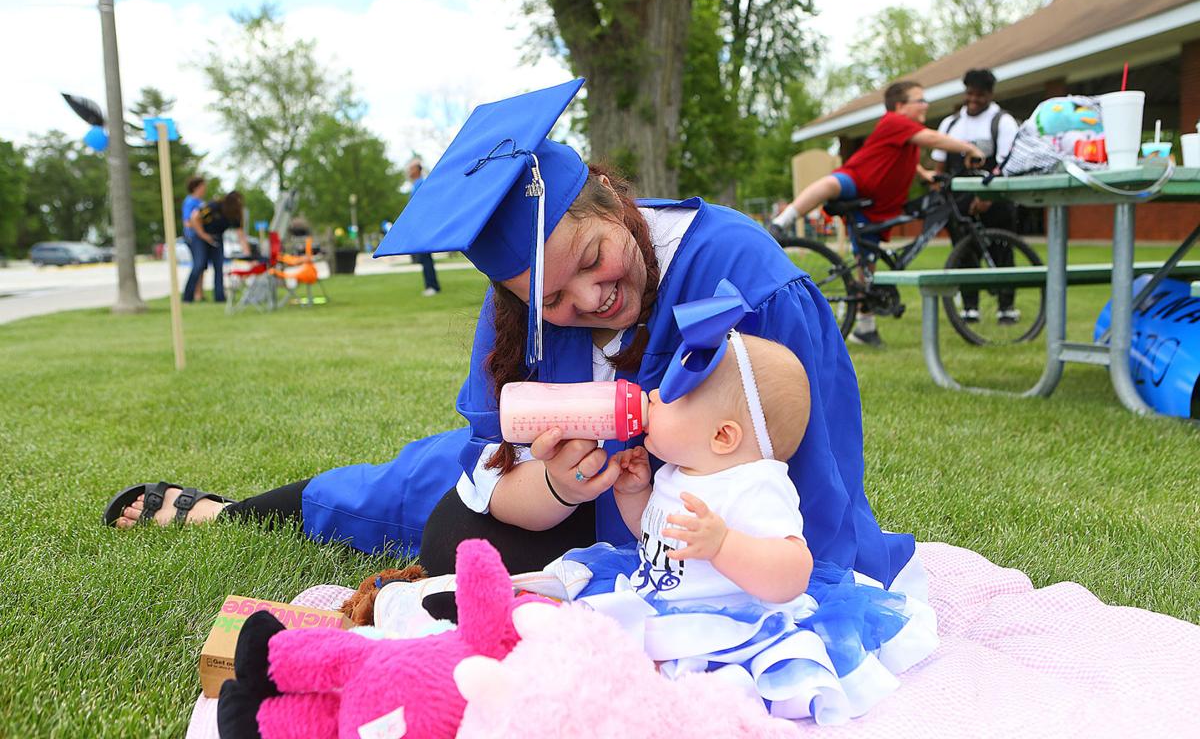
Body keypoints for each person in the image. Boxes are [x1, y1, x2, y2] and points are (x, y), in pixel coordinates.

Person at [107, 80, 925, 621]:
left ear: (613, 201)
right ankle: (227, 512)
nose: (588, 301)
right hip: (560, 507)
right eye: (553, 300)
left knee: (433, 506)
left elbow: (810, 469)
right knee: (416, 485)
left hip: (697, 529)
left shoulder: (742, 274)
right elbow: (488, 457)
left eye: (594, 262)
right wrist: (553, 479)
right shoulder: (518, 312)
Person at [553, 297, 935, 721]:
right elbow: (656, 539)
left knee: (710, 690)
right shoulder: (676, 471)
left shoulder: (755, 486)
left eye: (674, 396)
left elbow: (792, 570)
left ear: (723, 436)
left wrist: (723, 545)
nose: (654, 395)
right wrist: (634, 496)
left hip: (726, 624)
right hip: (659, 601)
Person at [771, 81, 987, 347]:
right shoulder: (894, 121)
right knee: (830, 184)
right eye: (919, 100)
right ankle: (782, 222)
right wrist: (969, 147)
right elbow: (932, 138)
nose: (925, 104)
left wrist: (925, 174)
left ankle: (864, 328)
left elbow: (908, 159)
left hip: (876, 205)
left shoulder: (905, 135)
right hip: (860, 181)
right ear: (900, 106)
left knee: (867, 269)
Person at [932, 68, 1022, 325]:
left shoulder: (1002, 121)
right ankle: (969, 306)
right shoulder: (950, 124)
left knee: (1001, 251)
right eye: (969, 94)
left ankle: (1006, 307)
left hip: (995, 199)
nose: (973, 100)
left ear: (990, 95)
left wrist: (988, 197)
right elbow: (940, 166)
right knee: (964, 253)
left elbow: (1006, 164)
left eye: (980, 95)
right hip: (959, 202)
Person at [182, 192, 252, 304]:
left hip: (217, 238)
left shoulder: (235, 215)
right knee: (199, 264)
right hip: (201, 236)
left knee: (219, 267)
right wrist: (204, 235)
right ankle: (187, 297)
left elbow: (241, 236)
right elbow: (194, 217)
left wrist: (248, 255)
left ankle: (219, 297)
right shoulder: (215, 206)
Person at [407, 159, 441, 297]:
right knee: (424, 258)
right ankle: (430, 285)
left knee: (425, 257)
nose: (409, 172)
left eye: (411, 169)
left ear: (418, 170)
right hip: (419, 226)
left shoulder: (421, 184)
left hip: (423, 226)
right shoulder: (415, 185)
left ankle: (432, 286)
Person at [181, 176, 207, 301]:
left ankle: (199, 294)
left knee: (202, 266)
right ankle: (188, 295)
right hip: (193, 237)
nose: (205, 189)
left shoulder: (201, 202)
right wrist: (198, 224)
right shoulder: (190, 201)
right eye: (203, 186)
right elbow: (187, 222)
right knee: (198, 264)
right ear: (196, 187)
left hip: (202, 237)